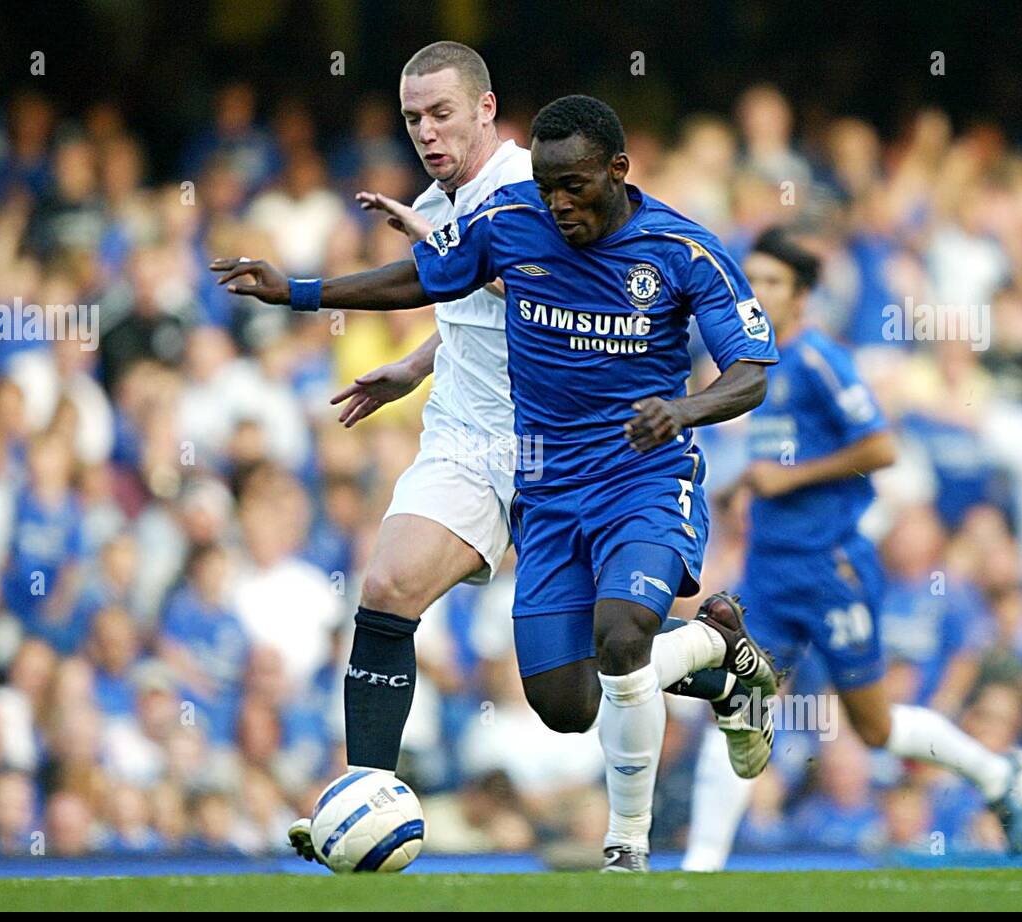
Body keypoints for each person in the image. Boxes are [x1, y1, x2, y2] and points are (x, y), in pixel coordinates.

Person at [214, 93, 782, 870]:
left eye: (576, 185)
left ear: (618, 170)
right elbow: (422, 281)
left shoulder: (684, 250)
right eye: (548, 186)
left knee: (622, 635)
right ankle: (721, 653)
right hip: (545, 493)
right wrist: (297, 293)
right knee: (566, 704)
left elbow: (750, 373)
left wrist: (684, 410)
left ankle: (627, 847)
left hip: (645, 477)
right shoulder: (511, 221)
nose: (559, 203)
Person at [680, 228, 1022, 872]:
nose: (756, 293)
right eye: (751, 279)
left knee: (873, 727)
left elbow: (881, 446)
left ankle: (993, 775)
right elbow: (781, 453)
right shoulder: (755, 360)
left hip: (830, 568)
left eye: (774, 282)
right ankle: (698, 871)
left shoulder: (818, 358)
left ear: (803, 295)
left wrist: (790, 478)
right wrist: (744, 484)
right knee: (738, 706)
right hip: (768, 573)